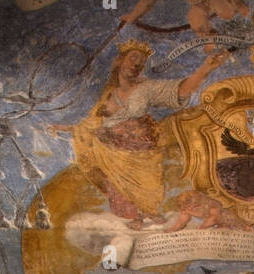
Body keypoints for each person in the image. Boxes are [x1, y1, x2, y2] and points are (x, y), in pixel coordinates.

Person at [52, 40, 227, 226]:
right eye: (133, 58)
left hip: (142, 151)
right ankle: (135, 217)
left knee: (149, 185)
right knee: (117, 186)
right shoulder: (108, 95)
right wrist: (68, 128)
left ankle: (149, 211)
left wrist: (205, 69)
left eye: (141, 62)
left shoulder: (146, 88)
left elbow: (179, 90)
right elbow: (92, 123)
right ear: (119, 61)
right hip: (112, 152)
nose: (137, 64)